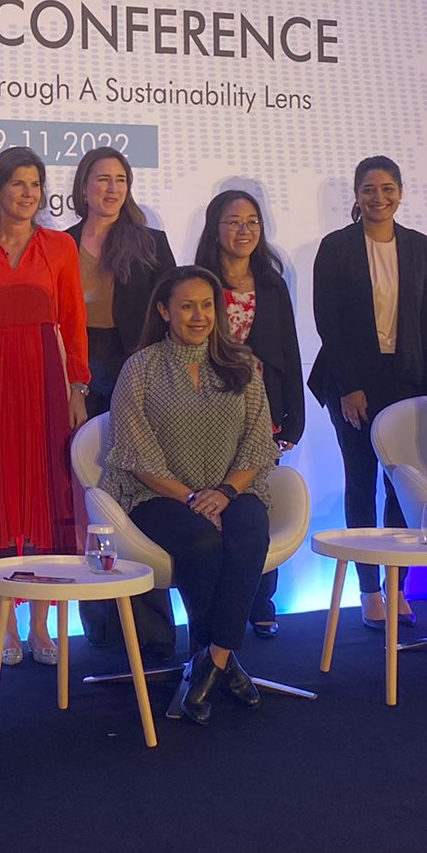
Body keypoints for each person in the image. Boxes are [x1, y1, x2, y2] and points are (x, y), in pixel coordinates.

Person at [100, 266, 280, 726]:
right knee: (202, 542)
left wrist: (222, 493)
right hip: (156, 494)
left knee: (249, 530)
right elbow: (137, 453)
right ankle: (224, 664)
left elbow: (258, 444)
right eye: (186, 306)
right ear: (164, 311)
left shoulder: (242, 365)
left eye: (206, 306)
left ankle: (213, 658)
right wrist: (194, 498)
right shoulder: (140, 367)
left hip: (234, 490)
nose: (198, 316)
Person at [0, 145, 89, 667]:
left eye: (35, 184)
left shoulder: (60, 249)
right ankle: (5, 623)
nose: (28, 194)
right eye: (18, 184)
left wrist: (77, 387)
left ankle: (42, 624)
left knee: (44, 491)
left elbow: (73, 323)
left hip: (45, 378)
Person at [308, 156, 427, 631]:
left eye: (387, 189)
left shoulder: (421, 247)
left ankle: (397, 585)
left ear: (401, 193)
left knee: (402, 483)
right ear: (356, 194)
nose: (378, 198)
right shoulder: (336, 247)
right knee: (361, 479)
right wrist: (349, 388)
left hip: (406, 380)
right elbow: (329, 322)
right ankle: (367, 591)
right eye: (368, 189)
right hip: (353, 381)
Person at [195, 189, 306, 639]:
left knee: (257, 500)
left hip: (263, 412)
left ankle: (261, 600)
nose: (244, 231)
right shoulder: (197, 282)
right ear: (215, 228)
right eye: (234, 221)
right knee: (214, 506)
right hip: (204, 412)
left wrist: (293, 417)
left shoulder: (272, 283)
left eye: (252, 222)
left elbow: (288, 351)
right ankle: (218, 606)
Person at [64, 146, 176, 418]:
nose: (113, 188)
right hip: (77, 368)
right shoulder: (62, 244)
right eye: (103, 179)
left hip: (134, 366)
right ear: (83, 188)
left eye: (121, 179)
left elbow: (172, 307)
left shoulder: (151, 243)